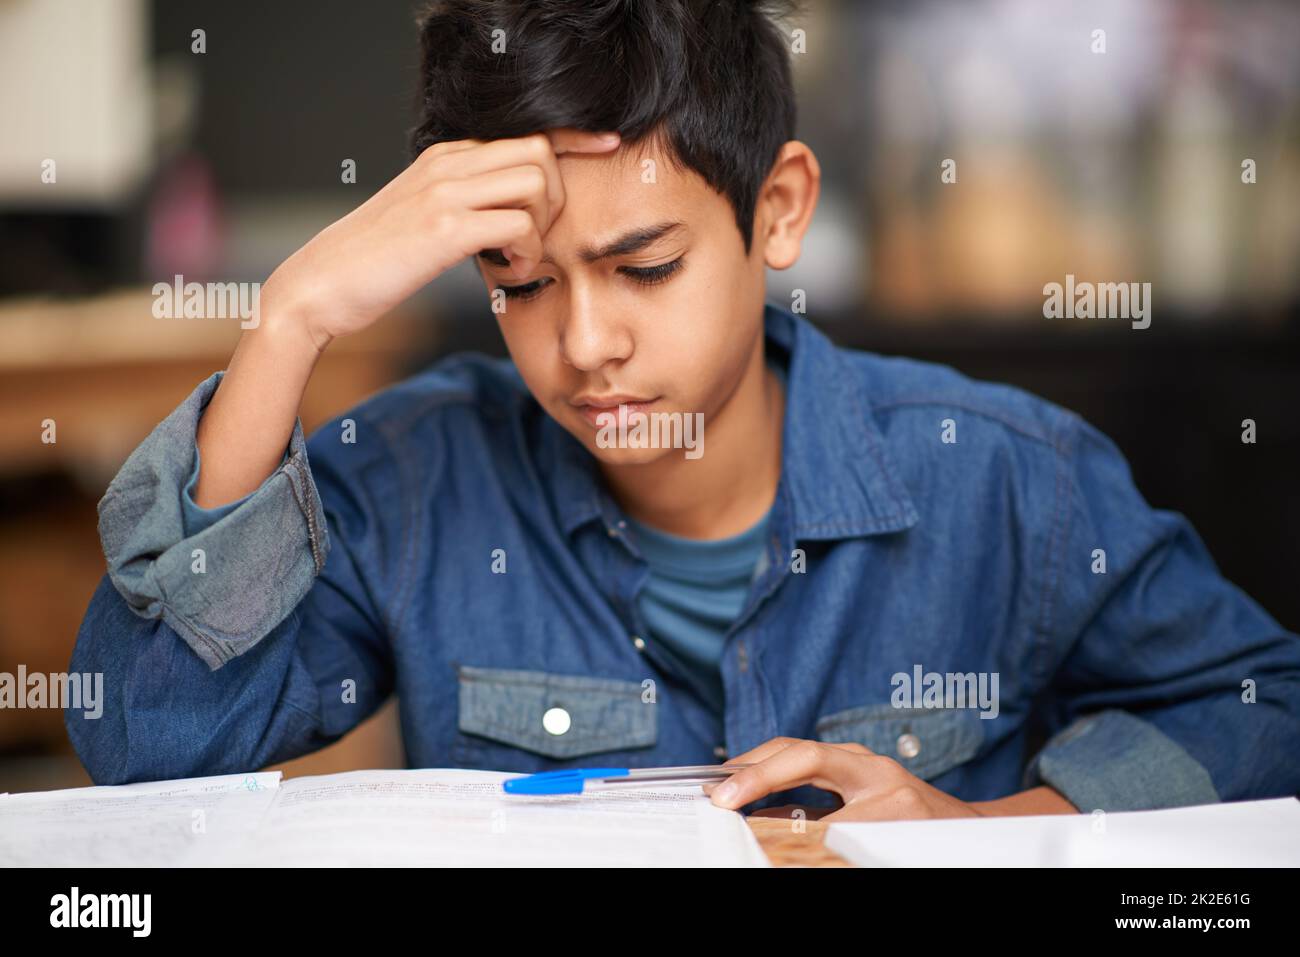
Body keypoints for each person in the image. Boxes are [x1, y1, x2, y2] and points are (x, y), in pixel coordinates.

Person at [67, 0, 1300, 822]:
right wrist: (288, 325)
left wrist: (983, 830)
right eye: (521, 284)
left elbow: (1265, 707)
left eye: (643, 267)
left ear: (777, 211)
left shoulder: (1004, 478)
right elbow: (151, 755)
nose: (585, 344)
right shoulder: (414, 478)